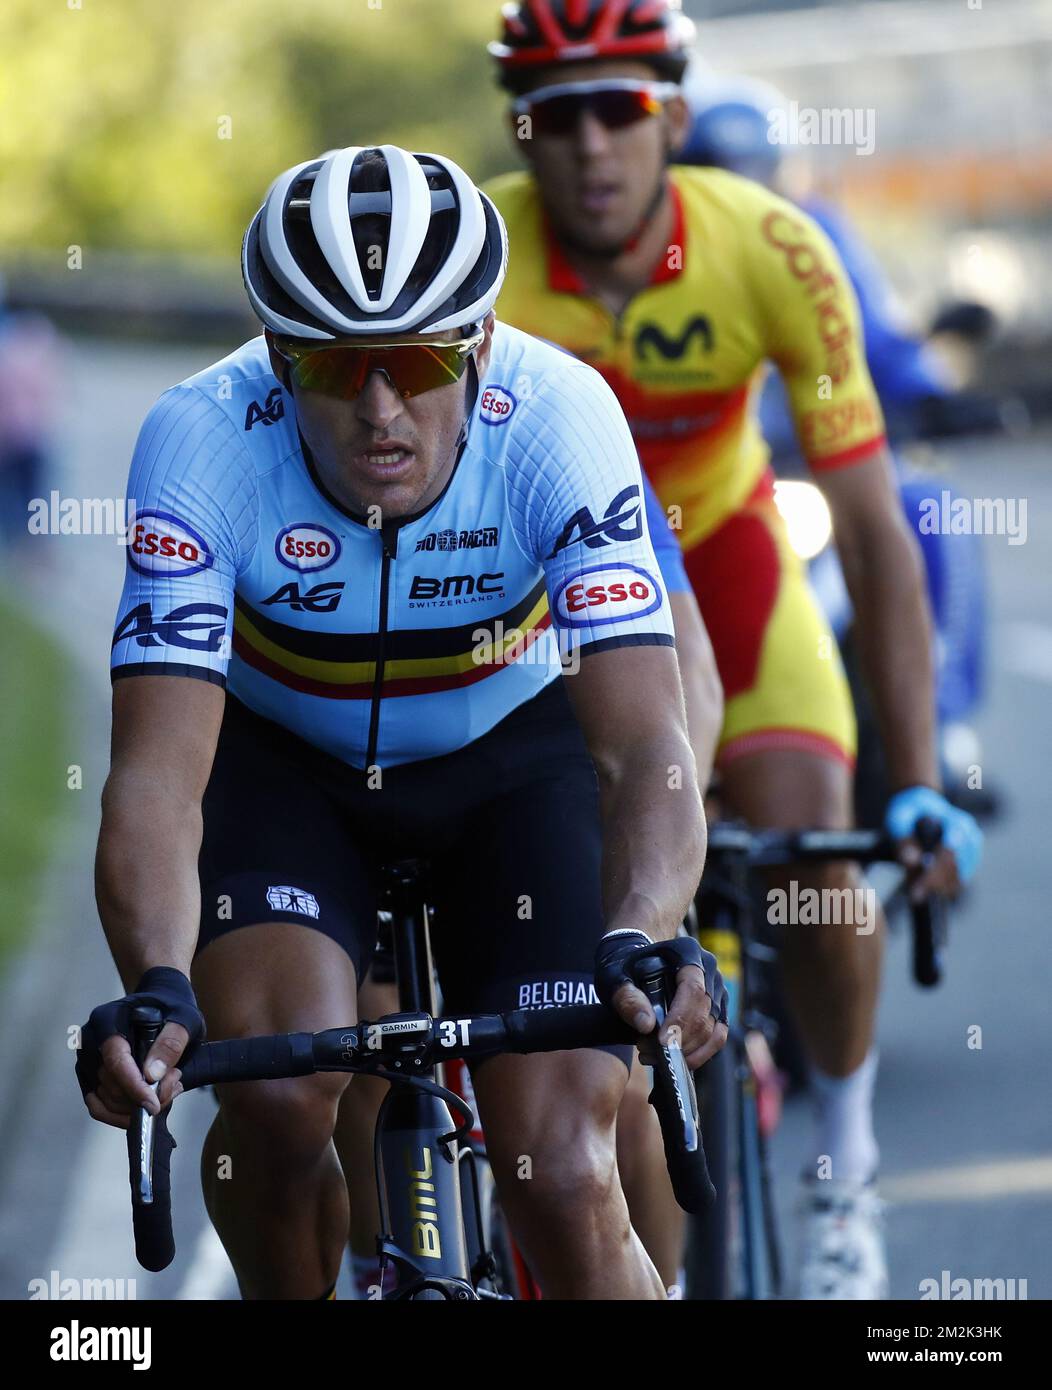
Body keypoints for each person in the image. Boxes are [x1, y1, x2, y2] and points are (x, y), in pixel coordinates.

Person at [75, 143, 729, 1301]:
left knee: (566, 1167)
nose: (380, 408)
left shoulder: (561, 418)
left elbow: (640, 750)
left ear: (477, 343)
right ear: (278, 359)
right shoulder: (200, 440)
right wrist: (157, 980)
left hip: (513, 765)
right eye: (335, 369)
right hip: (290, 771)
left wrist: (644, 925)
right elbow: (158, 781)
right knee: (275, 1102)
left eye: (418, 361)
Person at [483, 0, 983, 1299]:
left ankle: (847, 1186)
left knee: (818, 862)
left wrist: (916, 774)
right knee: (582, 922)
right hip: (565, 620)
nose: (591, 144)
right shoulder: (488, 258)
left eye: (621, 108)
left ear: (675, 118)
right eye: (555, 112)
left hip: (735, 569)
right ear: (519, 130)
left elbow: (873, 532)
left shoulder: (768, 242)